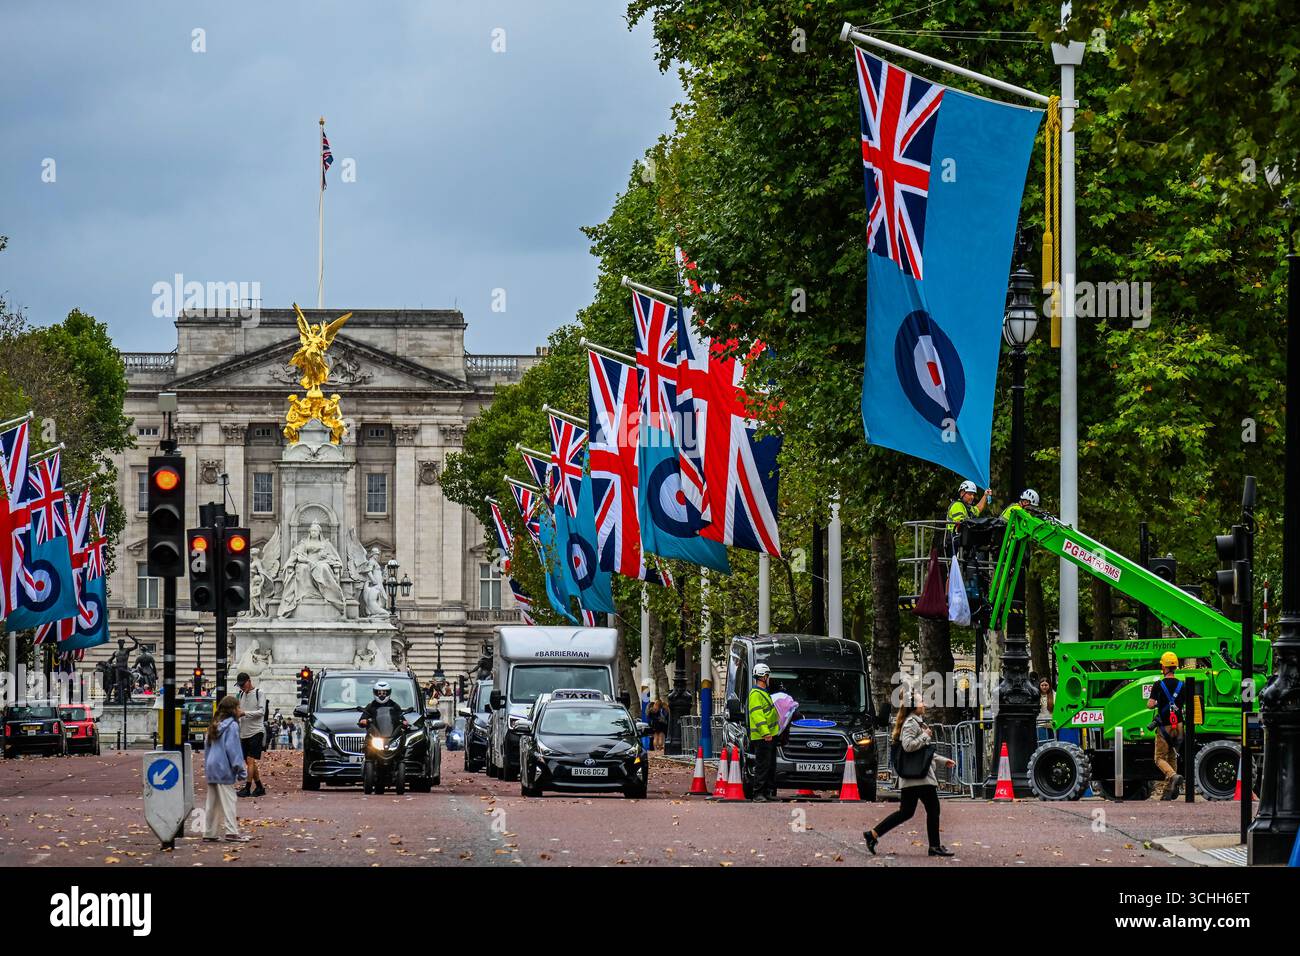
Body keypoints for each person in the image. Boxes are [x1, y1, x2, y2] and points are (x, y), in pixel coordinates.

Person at [864, 691, 956, 857]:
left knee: (906, 812)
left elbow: (923, 754)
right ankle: (934, 846)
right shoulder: (911, 724)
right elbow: (908, 746)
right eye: (921, 702)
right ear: (914, 706)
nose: (924, 705)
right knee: (933, 809)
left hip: (914, 777)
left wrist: (943, 760)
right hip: (919, 778)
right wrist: (924, 736)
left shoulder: (916, 723)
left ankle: (873, 834)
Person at [203, 695, 250, 843]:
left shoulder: (215, 724)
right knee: (229, 800)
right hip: (224, 766)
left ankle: (209, 832)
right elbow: (233, 750)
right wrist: (241, 770)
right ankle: (231, 832)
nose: (240, 710)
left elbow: (207, 747)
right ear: (233, 710)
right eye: (238, 707)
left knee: (212, 802)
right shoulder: (233, 726)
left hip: (212, 765)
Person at [1147, 652, 1185, 800]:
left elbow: (1150, 705)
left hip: (1164, 725)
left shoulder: (1158, 684)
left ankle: (1173, 776)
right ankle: (1170, 791)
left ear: (1164, 667)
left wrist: (1157, 702)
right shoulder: (1182, 684)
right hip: (1179, 725)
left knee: (1159, 758)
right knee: (1172, 756)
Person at [747, 663, 780, 802]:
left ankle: (767, 792)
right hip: (762, 736)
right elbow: (758, 716)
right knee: (762, 766)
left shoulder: (763, 693)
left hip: (770, 735)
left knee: (770, 766)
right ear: (763, 677)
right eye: (768, 676)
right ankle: (758, 794)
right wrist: (765, 733)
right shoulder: (755, 694)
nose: (769, 679)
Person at [235, 672, 268, 798]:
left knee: (250, 761)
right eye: (240, 685)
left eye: (243, 684)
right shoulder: (241, 694)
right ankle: (259, 787)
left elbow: (261, 712)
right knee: (250, 763)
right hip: (244, 732)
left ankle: (247, 788)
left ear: (249, 681)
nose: (242, 687)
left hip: (256, 731)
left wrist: (244, 713)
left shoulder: (260, 693)